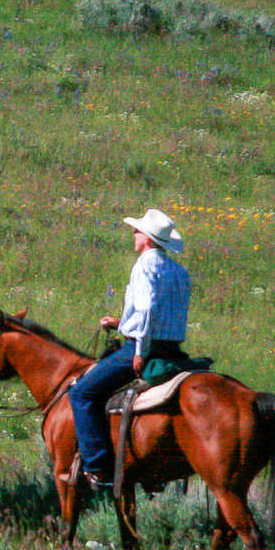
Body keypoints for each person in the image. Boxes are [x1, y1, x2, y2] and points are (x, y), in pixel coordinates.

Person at [70, 208, 191, 488]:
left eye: (137, 231)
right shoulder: (178, 271)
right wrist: (121, 322)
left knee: (81, 393)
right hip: (172, 349)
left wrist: (140, 351)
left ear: (147, 239)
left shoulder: (144, 265)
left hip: (141, 347)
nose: (134, 235)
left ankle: (97, 468)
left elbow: (148, 308)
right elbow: (162, 312)